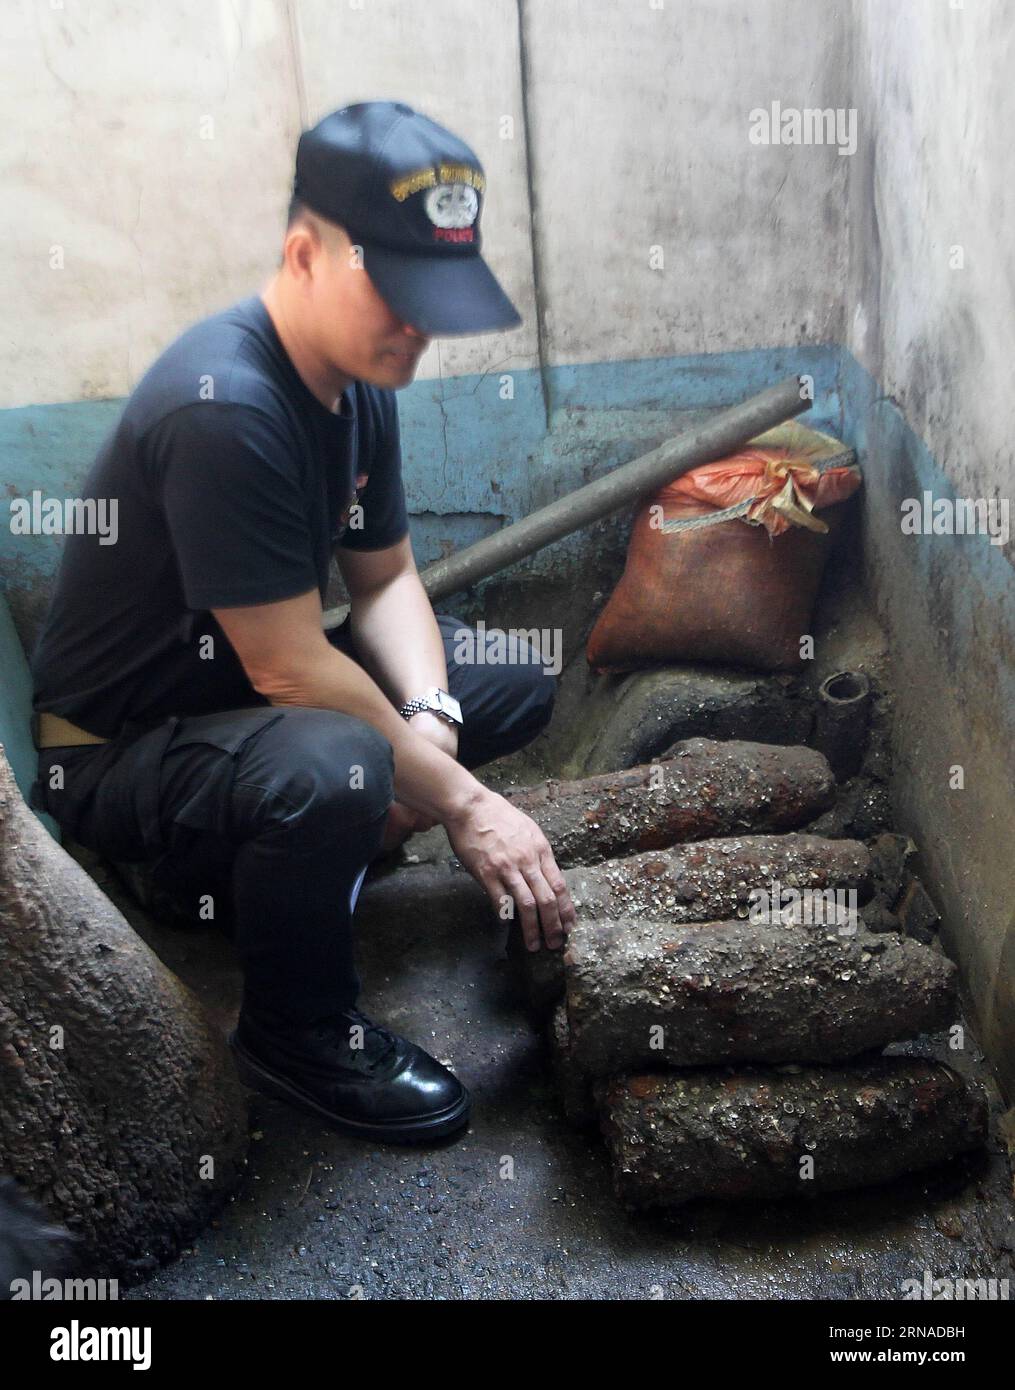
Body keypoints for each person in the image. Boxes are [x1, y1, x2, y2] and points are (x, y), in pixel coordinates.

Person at [28, 101, 577, 1145]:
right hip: (117, 752)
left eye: (438, 297)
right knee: (338, 760)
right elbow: (289, 670)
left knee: (502, 675)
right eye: (403, 295)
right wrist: (463, 804)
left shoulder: (360, 377)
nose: (422, 327)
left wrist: (431, 723)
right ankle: (293, 1028)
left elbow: (383, 583)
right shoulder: (226, 406)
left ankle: (291, 864)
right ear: (304, 254)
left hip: (237, 698)